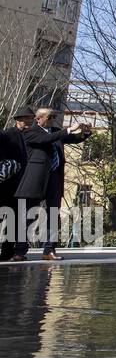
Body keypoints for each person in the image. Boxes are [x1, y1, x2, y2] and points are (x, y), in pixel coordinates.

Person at [12, 108, 92, 261]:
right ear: (38, 118)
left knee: (53, 215)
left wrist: (85, 132)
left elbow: (73, 138)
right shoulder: (30, 132)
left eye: (55, 116)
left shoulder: (55, 131)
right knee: (28, 216)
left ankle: (49, 250)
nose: (53, 119)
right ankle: (19, 251)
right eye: (50, 117)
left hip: (55, 178)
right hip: (36, 179)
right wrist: (68, 129)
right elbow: (45, 139)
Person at [0, 108, 31, 262]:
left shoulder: (28, 136)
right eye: (27, 118)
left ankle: (7, 251)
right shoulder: (9, 135)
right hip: (7, 184)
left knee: (13, 219)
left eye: (31, 118)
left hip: (20, 184)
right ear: (19, 120)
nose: (30, 121)